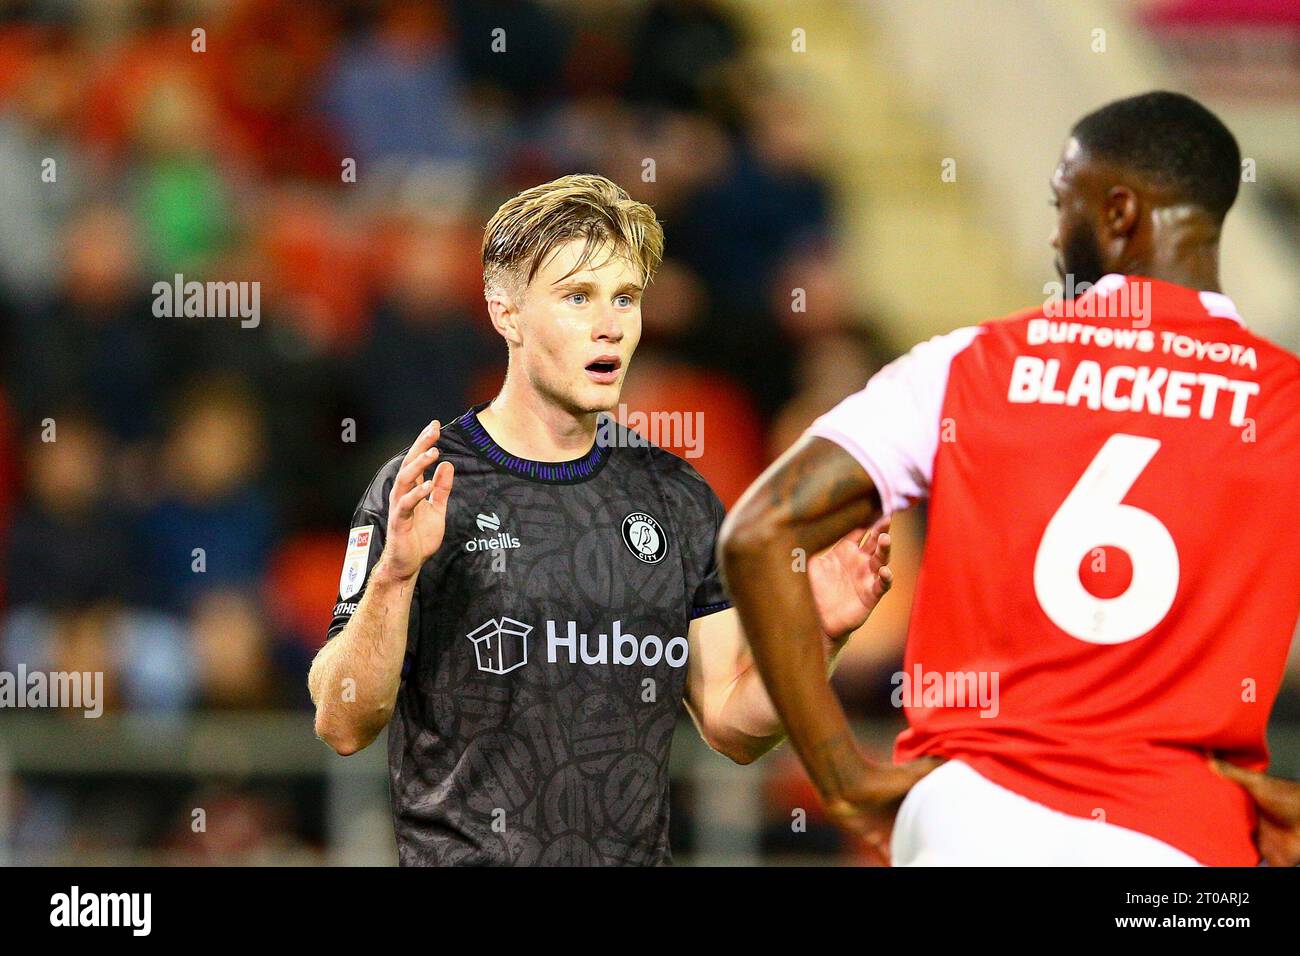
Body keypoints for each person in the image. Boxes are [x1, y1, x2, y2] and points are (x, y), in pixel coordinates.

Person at [719, 91, 1300, 866]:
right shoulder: (1284, 402)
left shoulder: (968, 366)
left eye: (1064, 204)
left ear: (1120, 211)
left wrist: (842, 774)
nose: (1057, 234)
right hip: (1179, 842)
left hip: (970, 819)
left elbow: (760, 531)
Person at [308, 174, 894, 865]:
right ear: (506, 312)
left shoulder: (676, 498)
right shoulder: (428, 485)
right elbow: (342, 721)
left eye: (625, 298)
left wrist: (818, 633)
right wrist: (395, 577)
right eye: (578, 297)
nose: (610, 323)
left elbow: (736, 726)